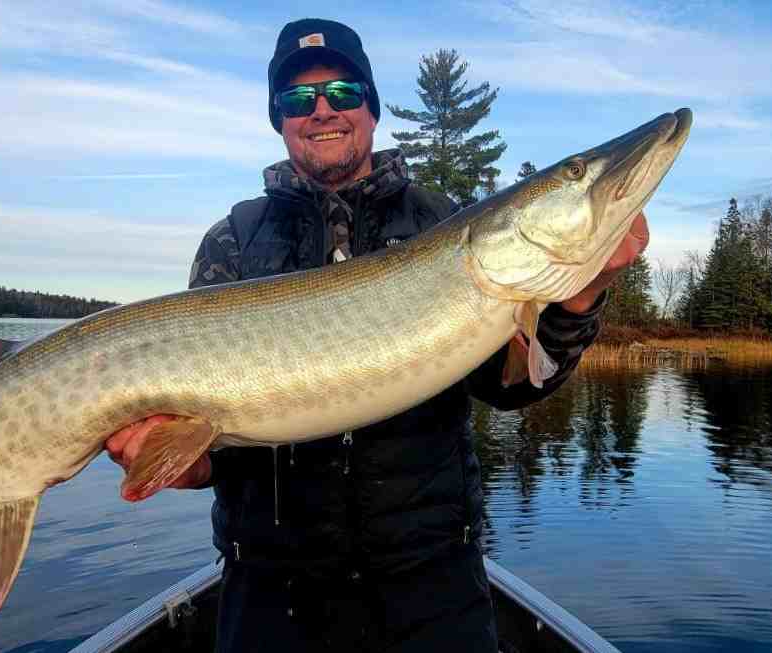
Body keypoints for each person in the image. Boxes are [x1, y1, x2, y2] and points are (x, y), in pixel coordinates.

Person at [104, 18, 649, 653]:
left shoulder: (438, 223)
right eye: (298, 99)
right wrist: (172, 456)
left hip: (431, 581)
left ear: (370, 107)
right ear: (279, 120)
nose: (323, 110)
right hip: (271, 591)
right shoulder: (232, 243)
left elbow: (513, 387)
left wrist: (578, 294)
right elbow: (212, 452)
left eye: (342, 91)